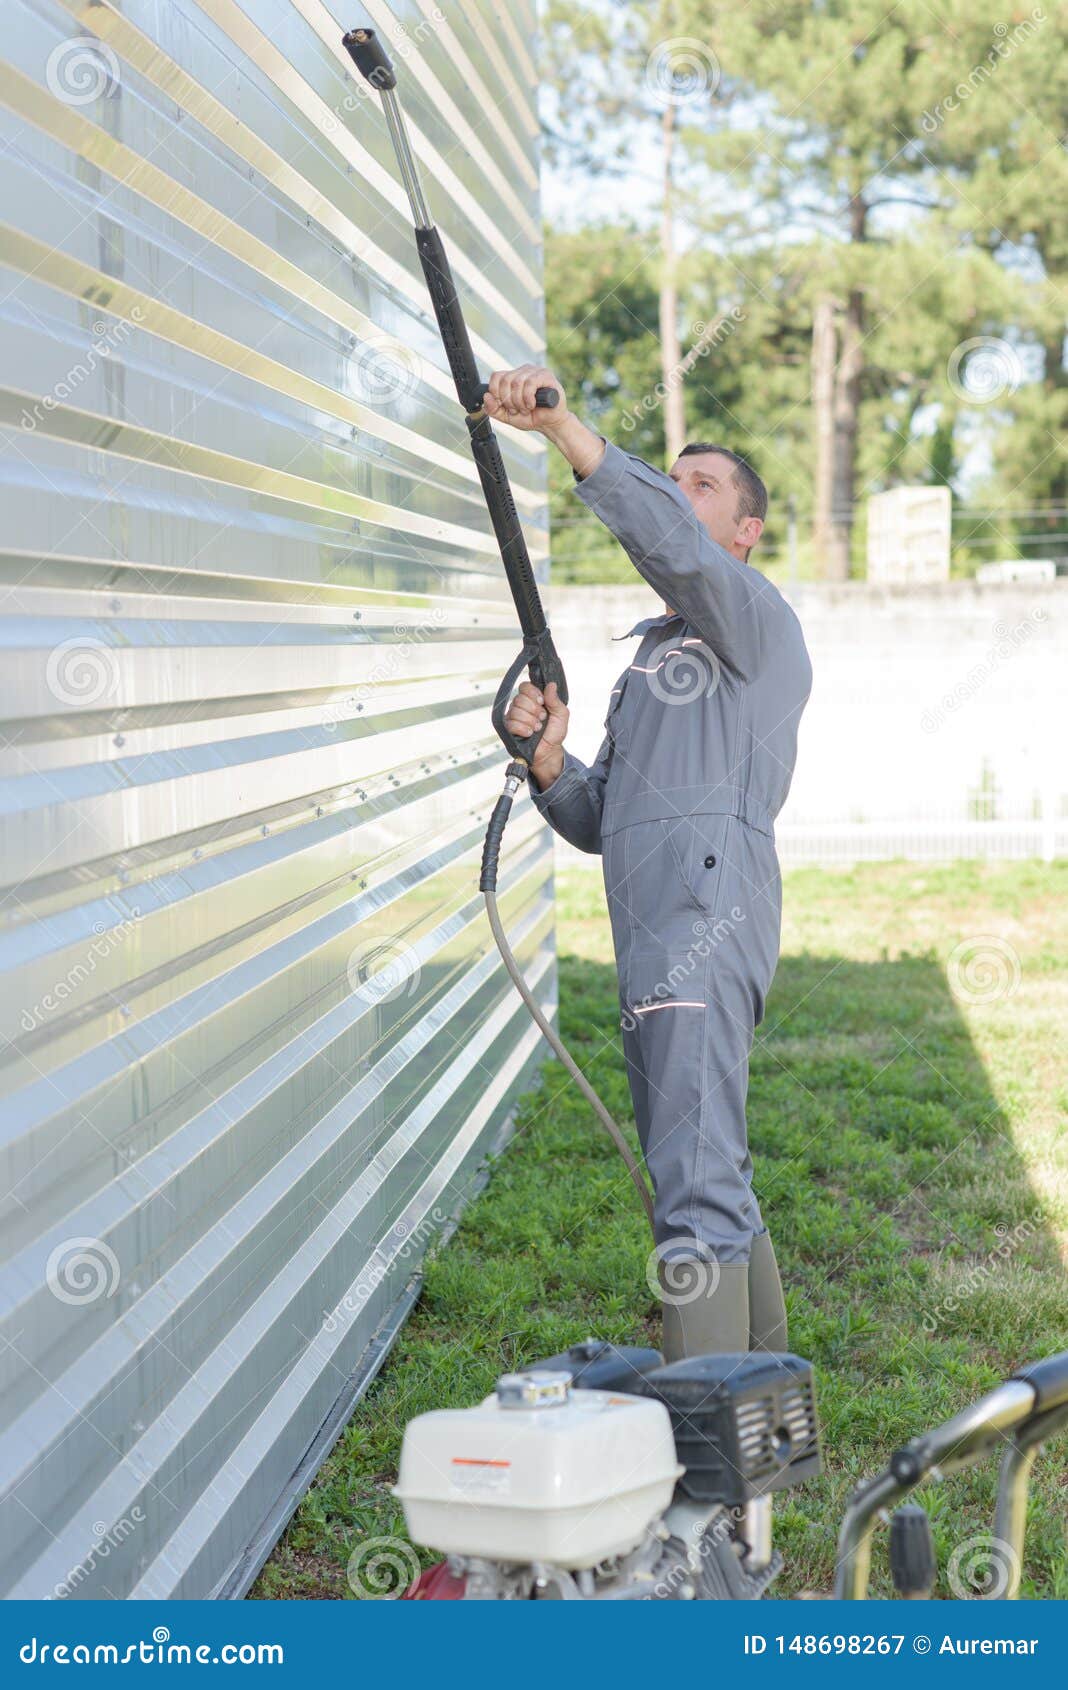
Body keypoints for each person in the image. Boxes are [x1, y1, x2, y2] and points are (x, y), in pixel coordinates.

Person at [487, 364, 813, 1361]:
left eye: (702, 485)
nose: (680, 496)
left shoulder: (753, 621)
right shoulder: (650, 666)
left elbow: (672, 549)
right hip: (659, 930)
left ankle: (712, 1471)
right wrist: (547, 762)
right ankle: (766, 1426)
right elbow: (605, 819)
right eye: (673, 478)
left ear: (747, 529)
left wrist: (564, 430)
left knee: (693, 1189)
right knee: (710, 1170)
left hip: (702, 924)